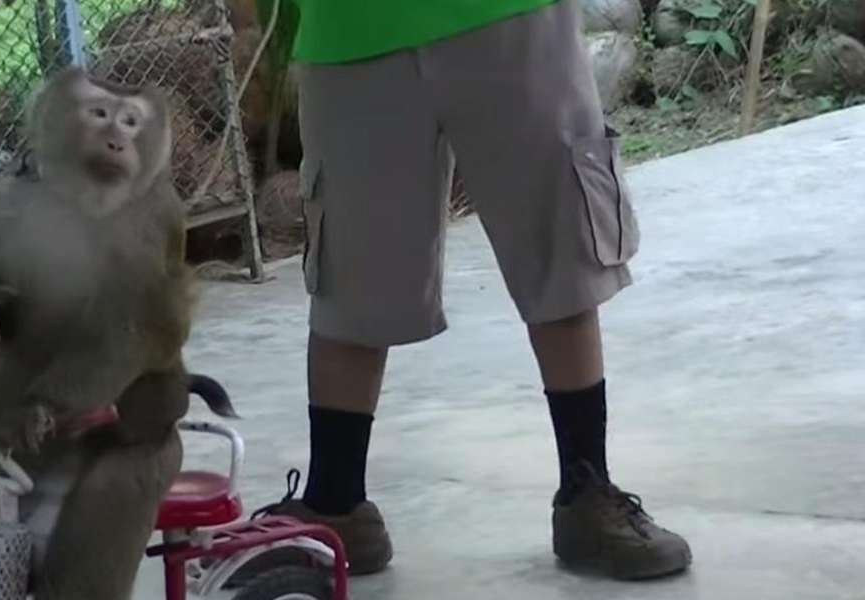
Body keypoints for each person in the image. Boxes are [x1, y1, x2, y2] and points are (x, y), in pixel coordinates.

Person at [252, 0, 693, 580]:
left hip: (509, 12)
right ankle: (335, 505)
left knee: (557, 240)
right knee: (349, 267)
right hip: (348, 26)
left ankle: (588, 491)